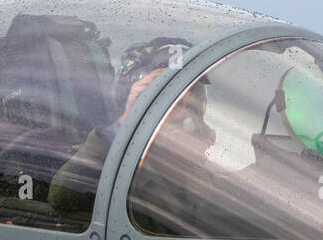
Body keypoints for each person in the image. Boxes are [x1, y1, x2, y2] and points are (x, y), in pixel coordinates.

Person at [48, 36, 205, 220]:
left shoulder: (199, 156)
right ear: (134, 95)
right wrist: (126, 122)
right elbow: (62, 196)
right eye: (163, 92)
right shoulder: (114, 159)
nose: (180, 103)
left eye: (192, 93)